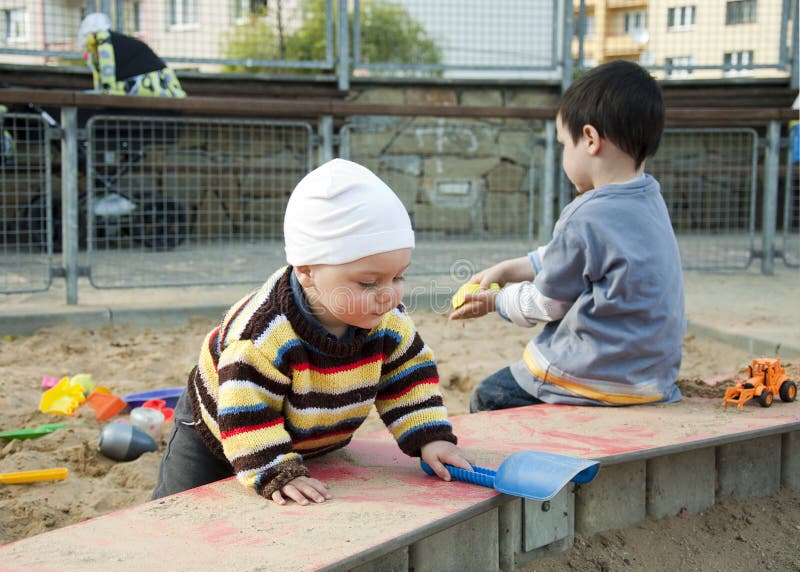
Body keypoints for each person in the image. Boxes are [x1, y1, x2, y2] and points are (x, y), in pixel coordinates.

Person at [152, 158, 472, 505]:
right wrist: (276, 469)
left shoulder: (386, 320)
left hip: (304, 435)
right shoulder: (262, 336)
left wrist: (430, 437)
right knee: (178, 506)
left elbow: (408, 379)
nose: (388, 294)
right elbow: (247, 409)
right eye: (368, 282)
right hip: (217, 426)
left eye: (398, 277)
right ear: (306, 271)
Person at [451, 60, 685, 412]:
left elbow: (546, 304)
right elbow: (579, 258)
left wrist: (496, 301)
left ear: (589, 139)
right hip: (651, 378)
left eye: (564, 144)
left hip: (590, 374)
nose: (563, 154)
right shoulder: (649, 198)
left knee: (488, 397)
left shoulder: (584, 214)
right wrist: (508, 269)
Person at [78, 13, 186, 97]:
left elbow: (107, 80)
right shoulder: (122, 44)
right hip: (167, 89)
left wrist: (107, 90)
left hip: (154, 88)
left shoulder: (105, 41)